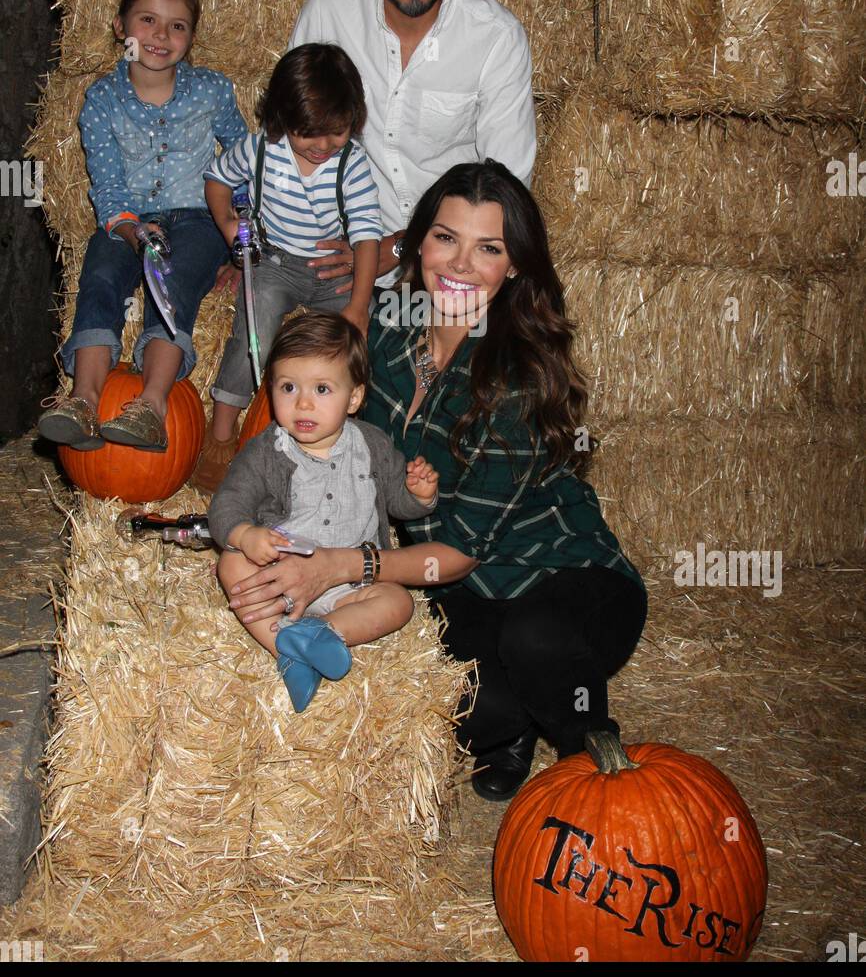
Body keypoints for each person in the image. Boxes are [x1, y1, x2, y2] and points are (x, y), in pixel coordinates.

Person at [220, 161, 648, 800]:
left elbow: (458, 552)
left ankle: (598, 759)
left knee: (537, 643)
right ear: (418, 243)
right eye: (446, 238)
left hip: (559, 574)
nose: (460, 263)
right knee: (470, 716)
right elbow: (316, 417)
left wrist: (341, 566)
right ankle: (512, 728)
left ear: (515, 268)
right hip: (460, 587)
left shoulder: (518, 380)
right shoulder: (386, 335)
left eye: (489, 248)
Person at [287, 0, 536, 295]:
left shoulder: (494, 36)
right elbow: (287, 144)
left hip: (453, 265)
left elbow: (506, 187)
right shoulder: (328, 15)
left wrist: (401, 246)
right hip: (339, 259)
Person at [38, 0, 246, 453]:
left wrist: (241, 244)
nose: (160, 36)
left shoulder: (212, 90)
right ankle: (84, 399)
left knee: (172, 283)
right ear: (120, 26)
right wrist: (131, 230)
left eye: (177, 26)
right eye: (148, 21)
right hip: (129, 221)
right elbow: (107, 186)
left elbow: (243, 163)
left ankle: (151, 407)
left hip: (197, 219)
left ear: (190, 38)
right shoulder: (103, 100)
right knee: (101, 274)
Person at [208, 312, 440, 712]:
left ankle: (320, 635)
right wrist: (245, 534)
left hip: (349, 586)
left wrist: (418, 496)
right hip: (279, 577)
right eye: (288, 387)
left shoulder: (373, 445)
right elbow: (226, 504)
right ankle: (284, 645)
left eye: (321, 388)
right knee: (231, 565)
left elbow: (396, 504)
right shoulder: (267, 451)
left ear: (353, 398)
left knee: (399, 603)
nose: (302, 402)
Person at [191, 44, 382, 491]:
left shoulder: (350, 164)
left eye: (336, 132)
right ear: (281, 118)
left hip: (331, 270)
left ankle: (344, 445)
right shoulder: (260, 150)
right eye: (308, 133)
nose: (322, 146)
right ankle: (221, 436)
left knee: (349, 347)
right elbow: (217, 178)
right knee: (252, 332)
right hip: (274, 261)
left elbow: (367, 237)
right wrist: (228, 227)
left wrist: (357, 306)